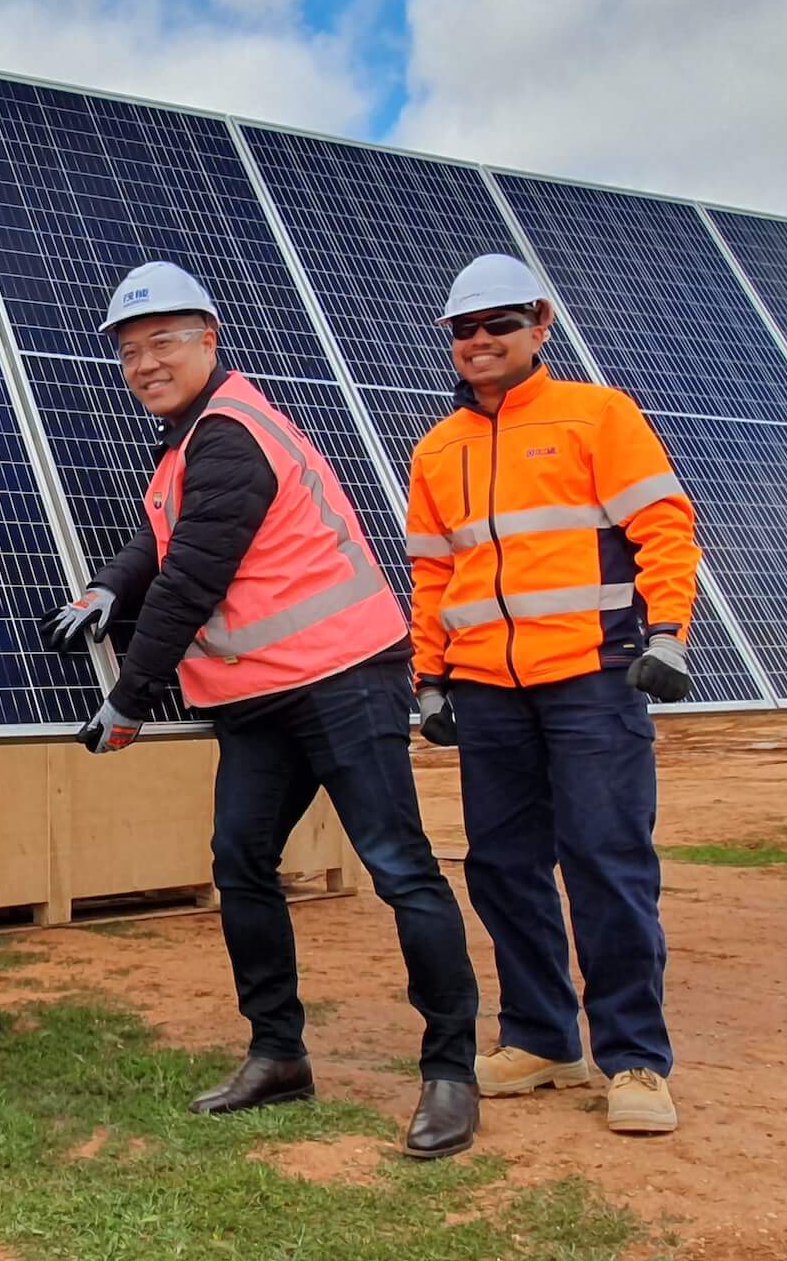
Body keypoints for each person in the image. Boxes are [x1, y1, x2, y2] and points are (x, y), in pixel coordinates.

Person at [43, 260, 480, 1159]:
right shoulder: (190, 443)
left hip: (341, 679)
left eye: (162, 342)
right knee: (240, 863)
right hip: (258, 698)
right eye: (129, 352)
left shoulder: (231, 434)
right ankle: (278, 1055)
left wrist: (127, 700)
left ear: (209, 337)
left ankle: (450, 1070)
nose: (145, 364)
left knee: (399, 867)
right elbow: (161, 543)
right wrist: (105, 588)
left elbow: (194, 578)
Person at [404, 254, 698, 1137]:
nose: (480, 341)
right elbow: (433, 575)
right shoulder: (437, 448)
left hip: (591, 680)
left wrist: (669, 634)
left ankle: (636, 1059)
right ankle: (539, 1036)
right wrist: (430, 678)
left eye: (498, 323)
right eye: (463, 329)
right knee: (501, 868)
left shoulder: (598, 415)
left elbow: (662, 525)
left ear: (541, 323)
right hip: (489, 688)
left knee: (607, 863)